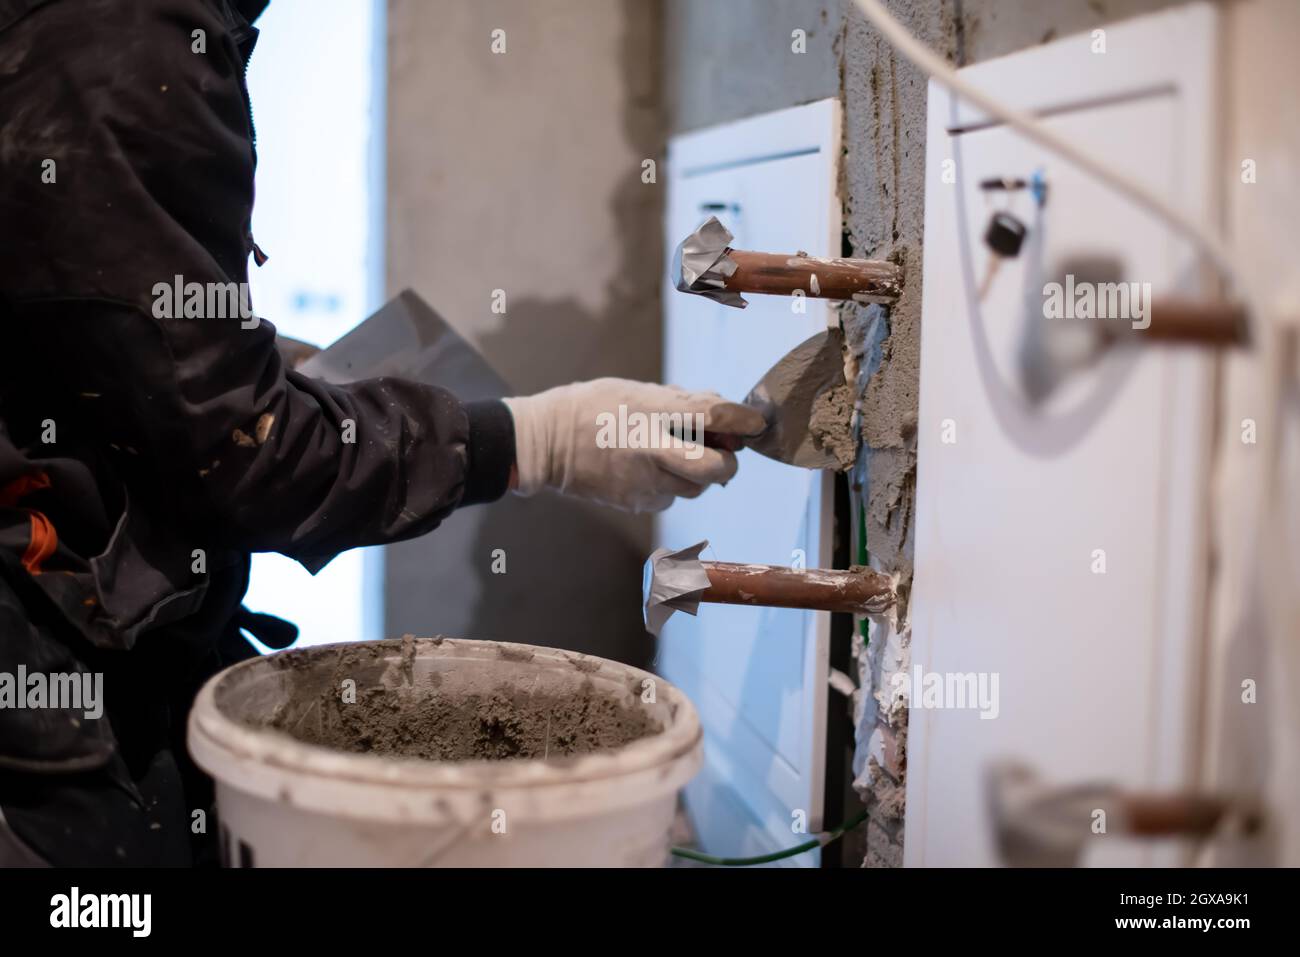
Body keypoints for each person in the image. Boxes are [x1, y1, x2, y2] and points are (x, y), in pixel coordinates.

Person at [0, 0, 761, 865]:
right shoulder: (120, 42)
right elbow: (243, 456)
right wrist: (538, 440)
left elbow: (83, 335)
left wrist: (257, 365)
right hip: (49, 675)